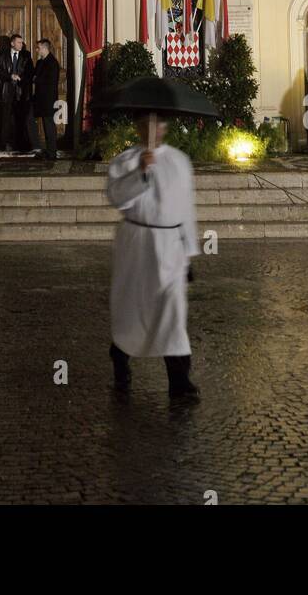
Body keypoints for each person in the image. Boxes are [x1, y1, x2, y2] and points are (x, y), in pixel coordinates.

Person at [105, 112, 200, 402]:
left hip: (171, 246)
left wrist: (190, 252)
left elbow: (186, 208)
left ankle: (180, 382)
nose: (154, 130)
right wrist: (140, 174)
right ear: (138, 127)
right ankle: (121, 362)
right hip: (138, 245)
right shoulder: (125, 161)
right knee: (133, 310)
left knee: (173, 312)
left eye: (159, 124)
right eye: (147, 124)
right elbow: (116, 197)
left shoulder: (180, 161)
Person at [0, 34, 34, 153]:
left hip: (21, 92)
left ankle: (22, 146)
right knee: (5, 120)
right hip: (7, 92)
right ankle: (4, 145)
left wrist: (21, 78)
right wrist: (10, 76)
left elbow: (30, 72)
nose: (21, 44)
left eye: (22, 42)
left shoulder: (26, 55)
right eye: (19, 42)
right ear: (12, 43)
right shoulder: (2, 55)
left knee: (21, 120)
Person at [30, 38, 60, 160]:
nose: (36, 50)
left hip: (49, 99)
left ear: (44, 48)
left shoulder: (52, 63)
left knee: (49, 126)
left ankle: (52, 152)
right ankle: (47, 150)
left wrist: (37, 79)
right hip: (40, 98)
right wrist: (36, 78)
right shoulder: (40, 62)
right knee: (44, 125)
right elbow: (35, 76)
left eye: (38, 48)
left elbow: (49, 81)